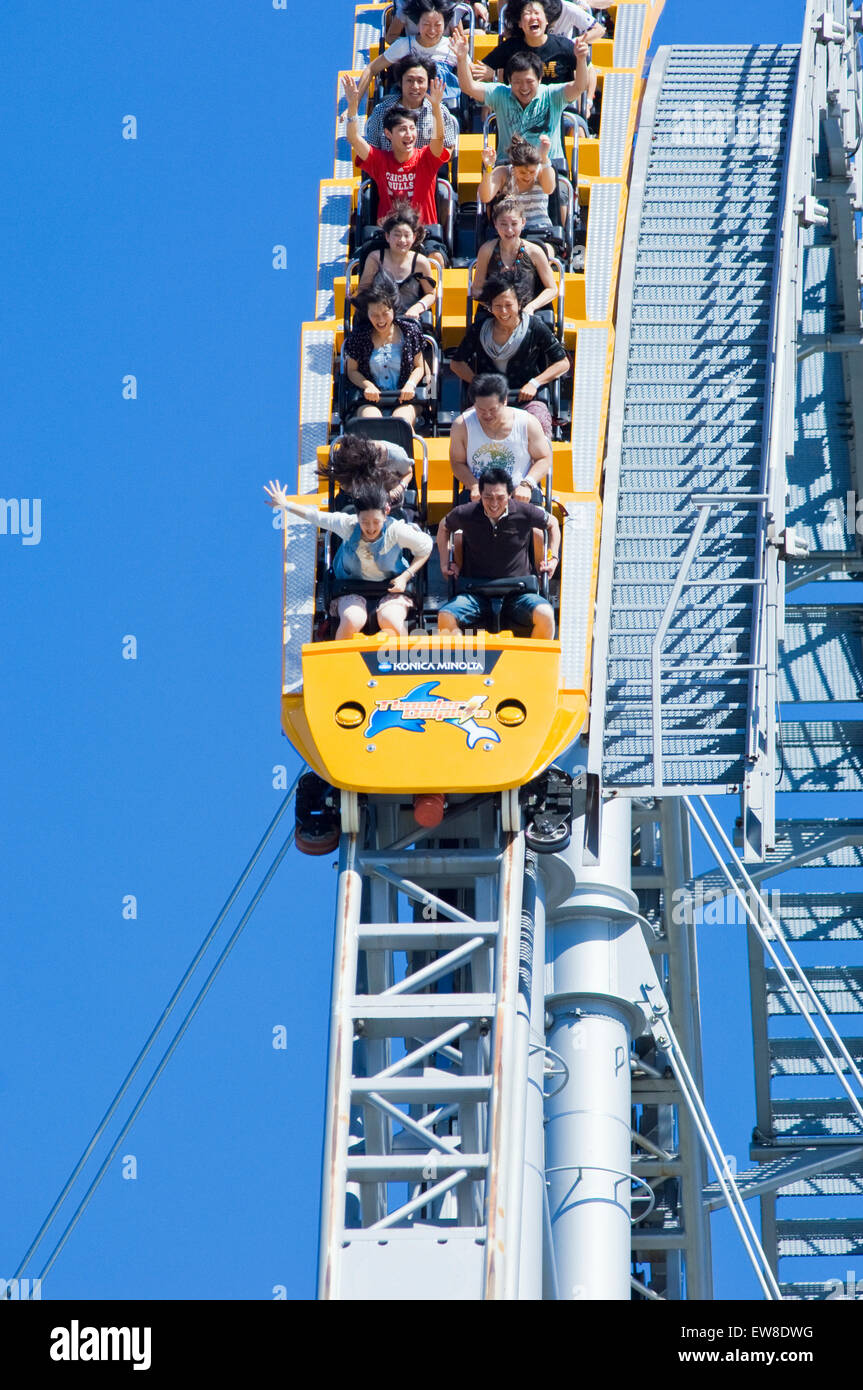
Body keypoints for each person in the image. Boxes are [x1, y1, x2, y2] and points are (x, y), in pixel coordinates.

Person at [264, 480, 432, 639]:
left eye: (376, 521)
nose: (371, 528)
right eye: (365, 522)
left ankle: (399, 661)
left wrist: (405, 576)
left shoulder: (396, 531)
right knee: (353, 619)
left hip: (390, 588)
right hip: (352, 588)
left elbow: (426, 547)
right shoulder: (348, 526)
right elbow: (315, 516)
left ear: (386, 512)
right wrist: (285, 504)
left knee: (391, 621)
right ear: (357, 516)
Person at [436, 466, 560, 638]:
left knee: (546, 614)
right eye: (488, 497)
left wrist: (553, 558)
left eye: (500, 497)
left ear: (510, 495)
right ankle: (465, 661)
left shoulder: (523, 512)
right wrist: (445, 562)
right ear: (480, 495)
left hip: (519, 592)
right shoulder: (467, 513)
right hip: (475, 593)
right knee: (445, 617)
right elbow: (444, 527)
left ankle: (531, 662)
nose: (494, 504)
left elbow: (552, 524)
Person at [342, 72, 451, 264]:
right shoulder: (380, 160)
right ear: (388, 134)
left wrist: (435, 106)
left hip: (423, 232)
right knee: (370, 261)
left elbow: (439, 140)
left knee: (436, 259)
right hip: (389, 235)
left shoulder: (425, 157)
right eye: (402, 129)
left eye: (411, 128)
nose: (408, 134)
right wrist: (352, 107)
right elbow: (353, 139)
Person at [449, 266, 569, 437]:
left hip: (526, 399)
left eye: (508, 305)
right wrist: (478, 382)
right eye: (498, 306)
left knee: (539, 420)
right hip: (489, 402)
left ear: (520, 303)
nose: (503, 312)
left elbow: (562, 363)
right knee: (466, 425)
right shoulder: (480, 329)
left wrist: (534, 383)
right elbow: (456, 363)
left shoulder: (535, 326)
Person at [452, 22, 587, 171]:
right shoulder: (500, 94)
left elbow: (579, 86)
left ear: (540, 79)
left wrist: (580, 60)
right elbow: (468, 86)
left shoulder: (552, 95)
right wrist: (462, 59)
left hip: (547, 168)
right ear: (509, 80)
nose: (524, 88)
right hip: (510, 169)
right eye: (517, 82)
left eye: (529, 82)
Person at [450, 373, 552, 502]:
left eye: (493, 410)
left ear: (505, 401)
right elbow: (457, 462)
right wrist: (473, 485)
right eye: (481, 409)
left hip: (519, 492)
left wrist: (527, 484)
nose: (487, 415)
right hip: (480, 494)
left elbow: (544, 458)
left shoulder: (528, 423)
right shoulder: (462, 425)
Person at [344, 273, 428, 427]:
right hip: (369, 400)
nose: (381, 320)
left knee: (400, 422)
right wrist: (368, 385)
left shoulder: (410, 331)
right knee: (372, 423)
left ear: (394, 311)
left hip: (404, 398)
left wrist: (410, 384)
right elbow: (352, 371)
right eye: (374, 315)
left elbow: (420, 366)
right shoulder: (359, 336)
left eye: (385, 313)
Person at [359, 0, 460, 107]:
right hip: (407, 107)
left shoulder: (452, 46)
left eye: (437, 25)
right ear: (418, 24)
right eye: (426, 24)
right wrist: (354, 103)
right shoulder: (404, 45)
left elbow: (471, 76)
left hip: (444, 103)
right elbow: (371, 69)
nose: (432, 31)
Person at [471, 194, 559, 318]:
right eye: (503, 224)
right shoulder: (487, 250)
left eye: (514, 224)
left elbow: (552, 289)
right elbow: (476, 289)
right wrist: (495, 307)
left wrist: (531, 307)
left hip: (526, 313)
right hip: (496, 313)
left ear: (523, 223)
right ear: (495, 224)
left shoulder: (535, 252)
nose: (509, 230)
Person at [357, 203, 437, 320]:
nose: (402, 240)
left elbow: (431, 294)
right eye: (397, 235)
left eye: (406, 235)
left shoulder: (421, 262)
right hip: (379, 318)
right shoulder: (375, 258)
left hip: (409, 318)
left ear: (414, 237)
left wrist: (417, 308)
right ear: (387, 236)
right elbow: (363, 290)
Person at [364, 57, 460, 153]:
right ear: (400, 82)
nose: (415, 86)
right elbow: (372, 149)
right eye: (409, 80)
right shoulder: (381, 110)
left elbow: (448, 149)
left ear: (429, 83)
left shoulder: (440, 111)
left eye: (420, 81)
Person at [474, 0, 582, 84]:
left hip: (557, 107)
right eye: (528, 13)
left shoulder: (564, 46)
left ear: (547, 19)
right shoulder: (509, 47)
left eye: (537, 13)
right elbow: (477, 72)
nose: (533, 17)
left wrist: (588, 101)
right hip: (518, 108)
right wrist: (493, 76)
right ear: (519, 23)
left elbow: (588, 70)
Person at [478, 133, 557, 238]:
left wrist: (544, 157)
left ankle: (524, 254)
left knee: (535, 252)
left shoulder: (542, 171)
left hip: (540, 231)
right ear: (513, 167)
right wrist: (488, 167)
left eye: (532, 172)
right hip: (510, 233)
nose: (528, 176)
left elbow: (549, 189)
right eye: (523, 172)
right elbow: (485, 197)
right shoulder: (503, 173)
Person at [319, 433, 415, 512]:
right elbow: (345, 487)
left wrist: (397, 490)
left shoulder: (396, 456)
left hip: (389, 494)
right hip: (363, 497)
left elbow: (409, 472)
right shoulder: (351, 458)